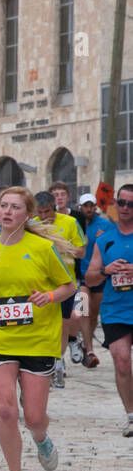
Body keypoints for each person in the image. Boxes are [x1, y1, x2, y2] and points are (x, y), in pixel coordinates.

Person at [0, 186, 79, 471]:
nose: (6, 212)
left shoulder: (42, 248)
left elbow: (69, 286)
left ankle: (41, 438)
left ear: (27, 215)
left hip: (38, 340)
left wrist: (49, 296)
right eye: (3, 206)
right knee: (5, 410)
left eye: (15, 207)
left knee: (33, 417)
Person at [84, 183, 133, 436]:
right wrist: (106, 270)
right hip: (115, 309)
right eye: (121, 202)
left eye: (130, 204)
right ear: (114, 204)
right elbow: (90, 278)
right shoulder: (105, 239)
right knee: (122, 361)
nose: (125, 208)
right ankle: (131, 415)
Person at [34, 188, 86, 389]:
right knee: (44, 326)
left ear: (55, 208)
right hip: (41, 285)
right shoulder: (33, 226)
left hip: (66, 284)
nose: (45, 217)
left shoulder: (71, 223)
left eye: (48, 211)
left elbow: (81, 251)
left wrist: (63, 248)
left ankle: (59, 360)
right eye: (41, 213)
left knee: (66, 323)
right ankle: (49, 362)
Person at [76, 191, 112, 368]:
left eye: (91, 205)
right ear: (80, 207)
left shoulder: (105, 225)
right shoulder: (75, 224)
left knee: (93, 313)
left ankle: (85, 343)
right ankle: (89, 350)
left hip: (99, 275)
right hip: (80, 276)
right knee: (83, 308)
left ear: (95, 207)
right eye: (85, 206)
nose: (88, 209)